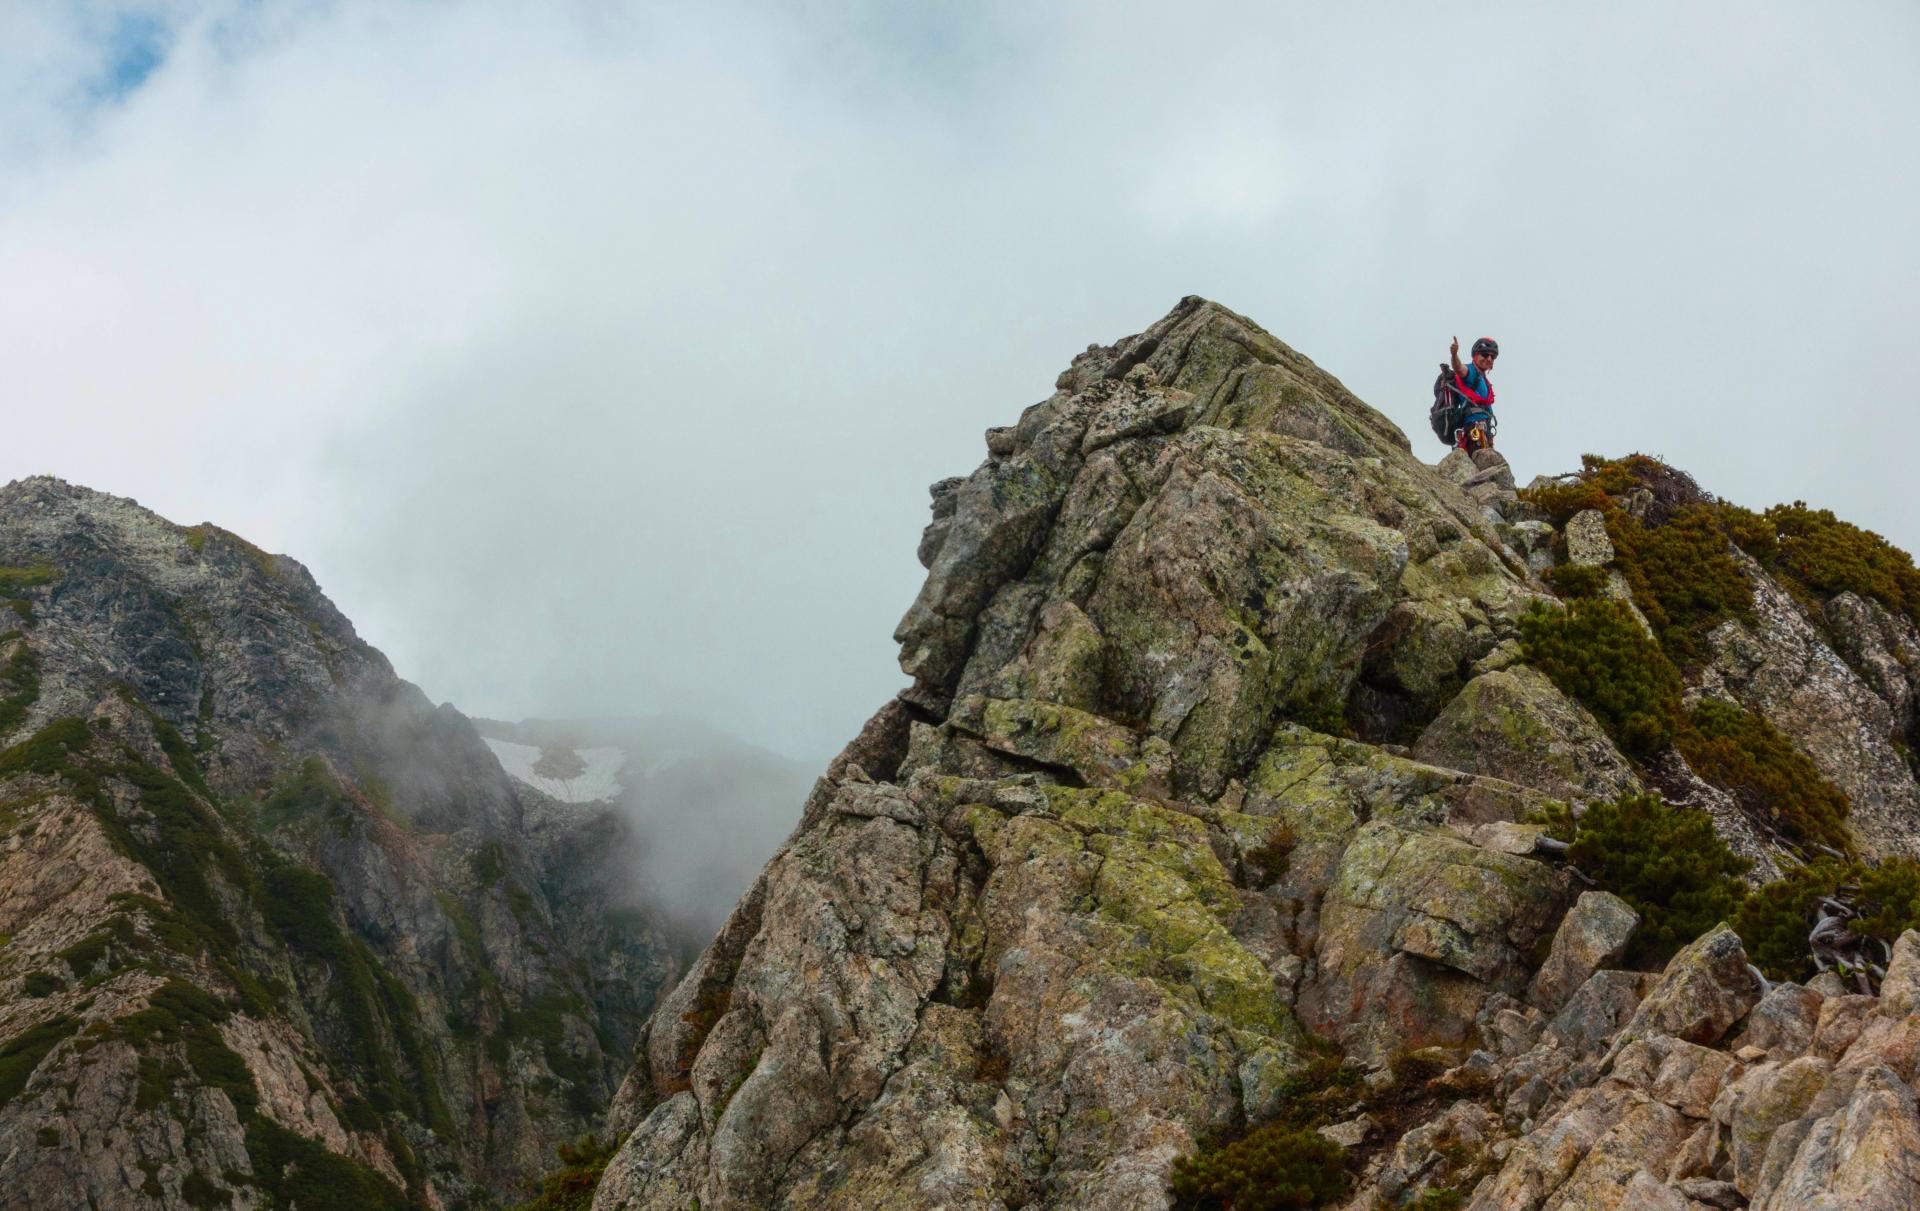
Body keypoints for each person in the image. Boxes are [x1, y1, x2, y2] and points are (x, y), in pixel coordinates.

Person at [1448, 336, 1499, 451]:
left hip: (1485, 429)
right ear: (1475, 355)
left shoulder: (1484, 379)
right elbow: (1459, 368)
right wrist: (1454, 355)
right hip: (1474, 428)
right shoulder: (1470, 371)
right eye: (1485, 354)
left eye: (1492, 357)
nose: (1489, 359)